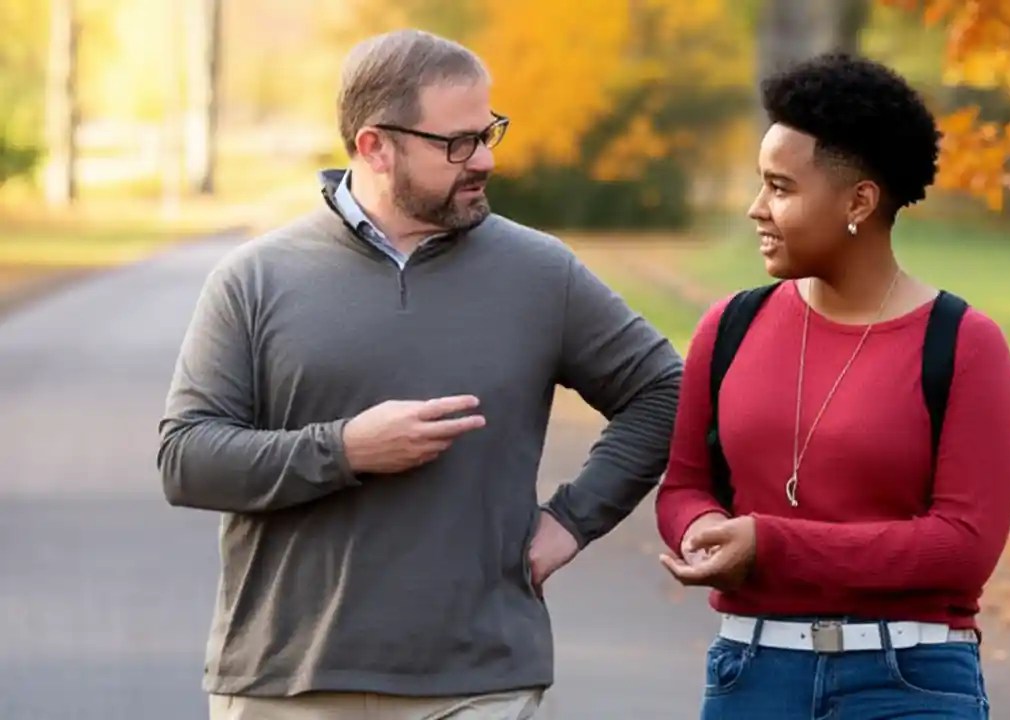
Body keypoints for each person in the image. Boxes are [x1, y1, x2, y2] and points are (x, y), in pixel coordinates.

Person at [158, 29, 682, 720]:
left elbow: (665, 391)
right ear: (375, 146)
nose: (486, 159)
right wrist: (344, 450)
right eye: (456, 142)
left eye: (489, 132)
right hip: (285, 679)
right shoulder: (255, 279)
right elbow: (186, 458)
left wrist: (573, 520)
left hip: (481, 681)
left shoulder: (540, 273)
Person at [654, 53, 1010, 719]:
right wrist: (705, 528)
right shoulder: (729, 327)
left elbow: (963, 548)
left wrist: (771, 545)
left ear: (859, 201)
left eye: (780, 188)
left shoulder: (963, 342)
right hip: (751, 676)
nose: (755, 209)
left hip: (910, 683)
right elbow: (684, 486)